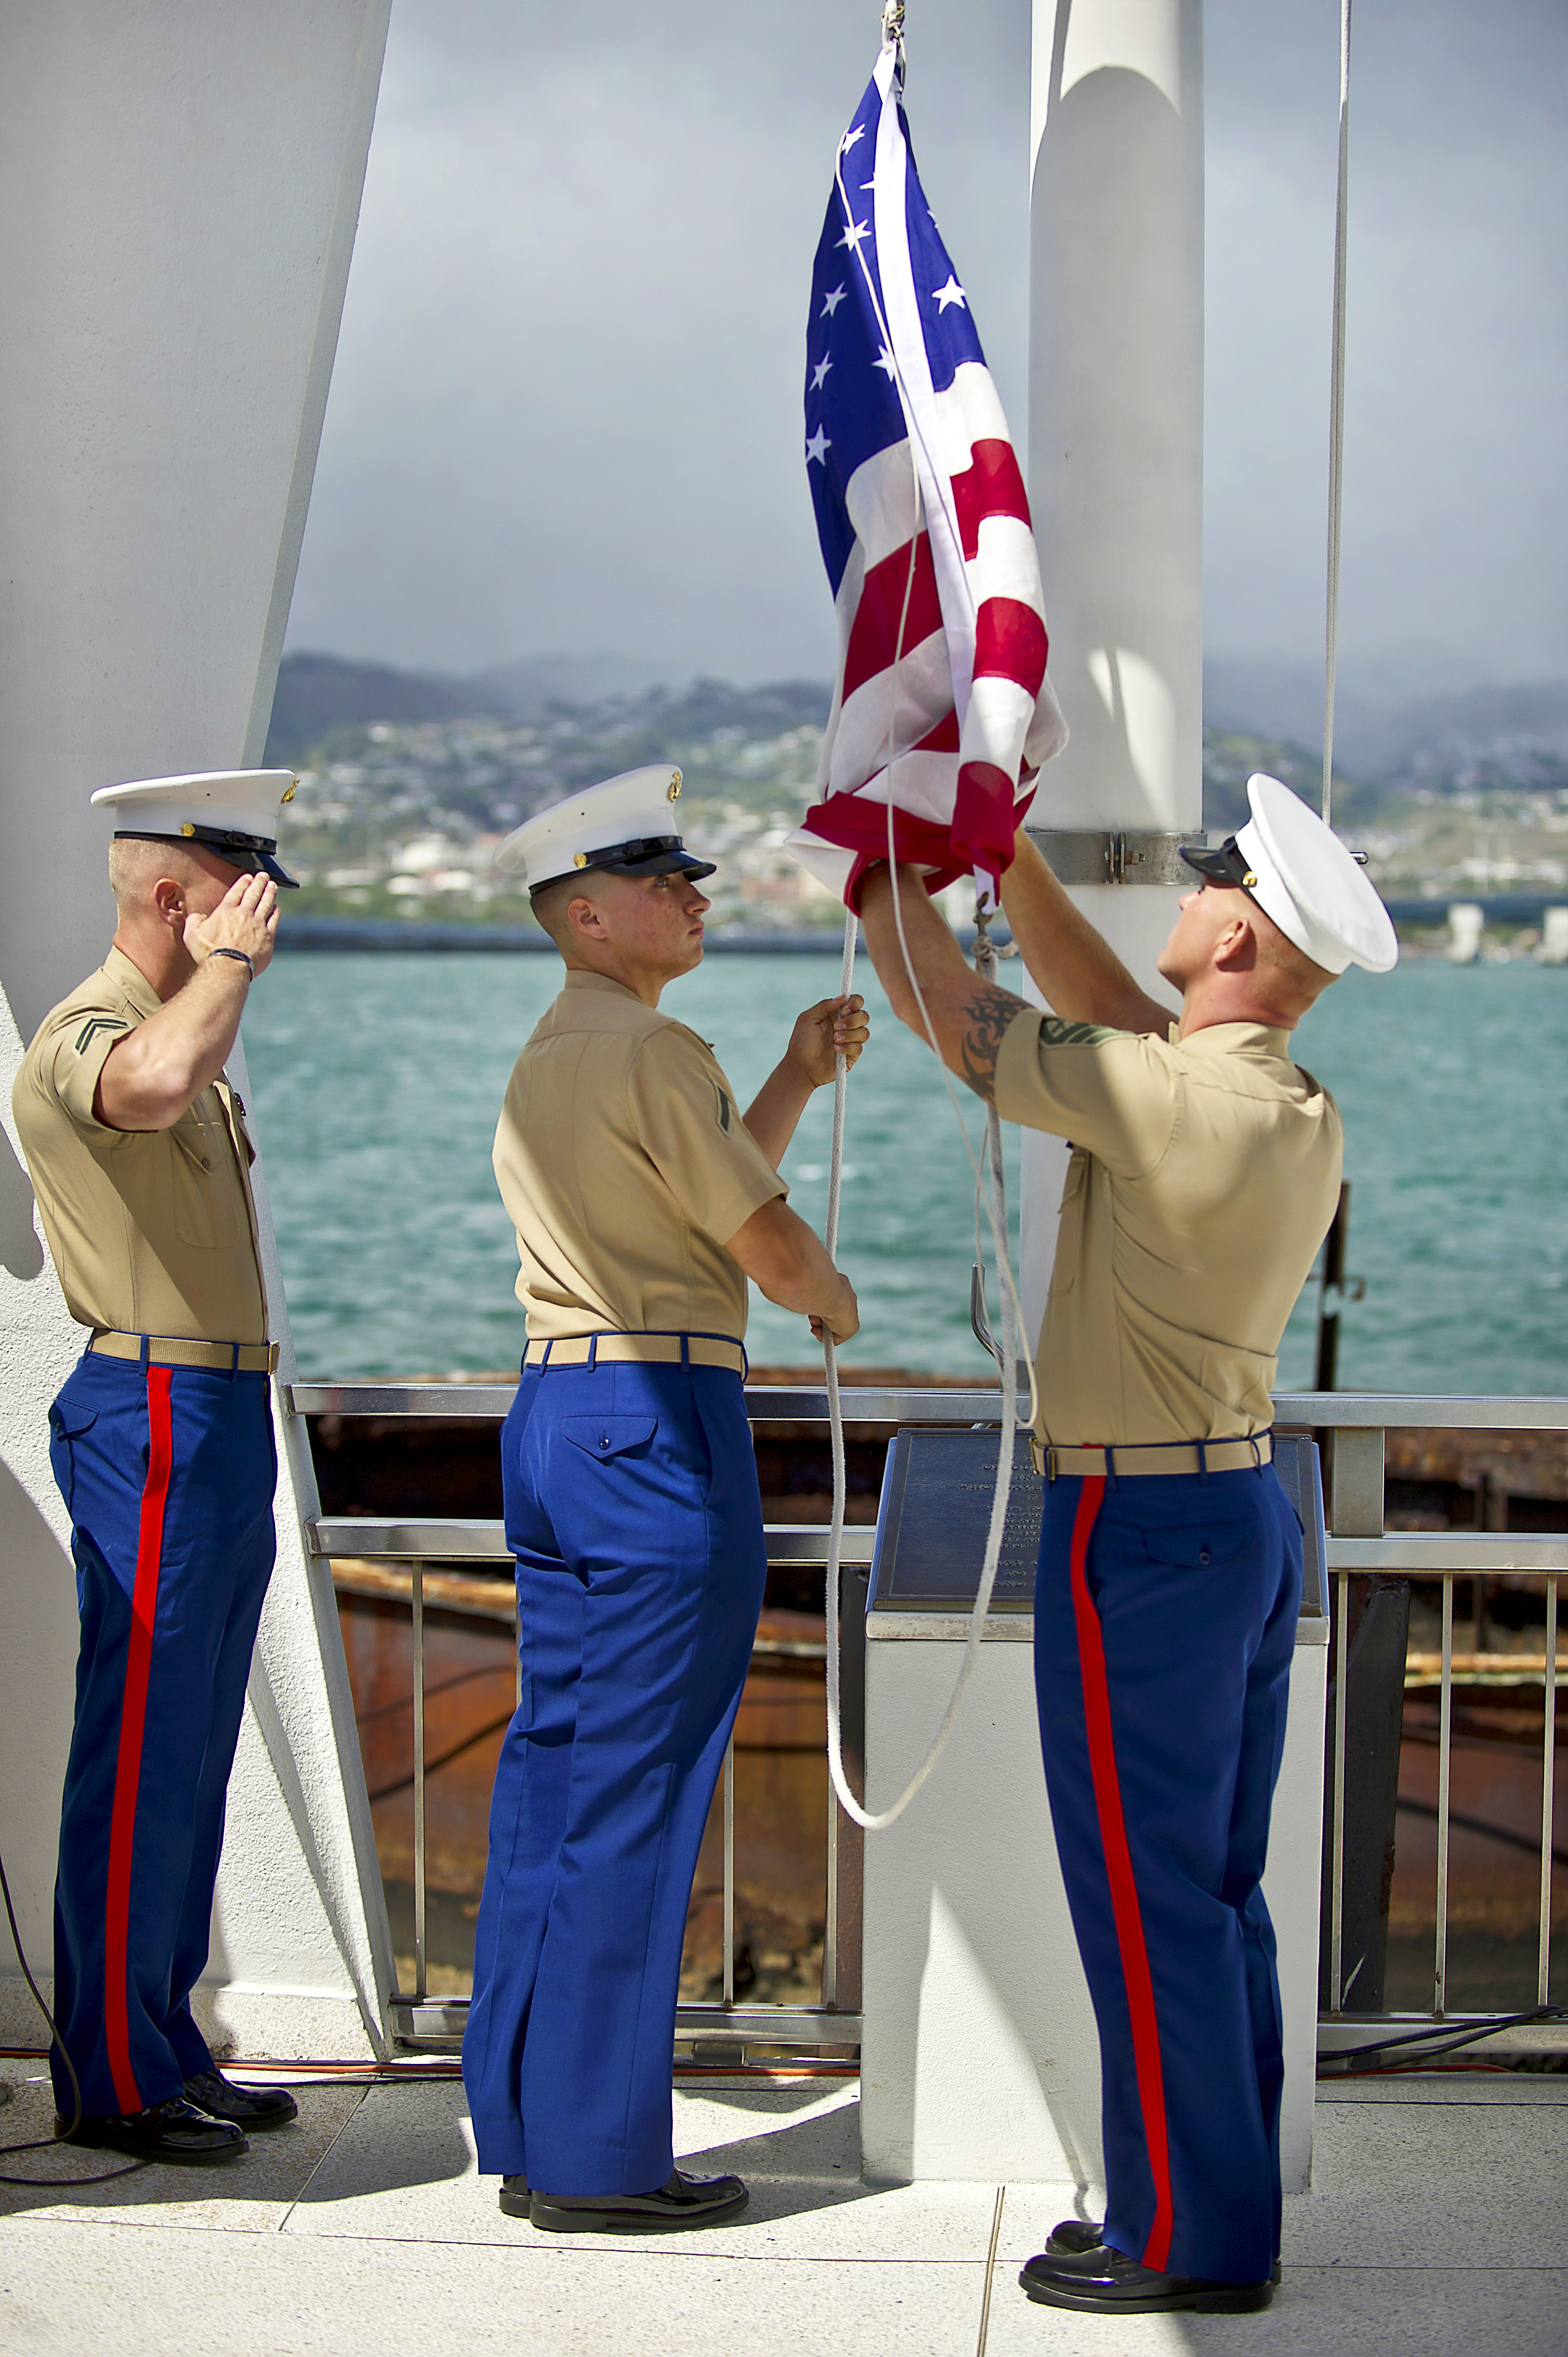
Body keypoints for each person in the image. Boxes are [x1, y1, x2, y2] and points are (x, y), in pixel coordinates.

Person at [858, 774, 1397, 2318]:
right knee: (1213, 1895)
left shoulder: (1166, 1097)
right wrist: (1005, 849)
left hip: (1141, 1532)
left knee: (1148, 1898)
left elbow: (939, 1003)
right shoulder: (1274, 1102)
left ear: (1235, 929)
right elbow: (1102, 1014)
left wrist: (879, 844)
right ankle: (1209, 2206)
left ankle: (1183, 2243)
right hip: (1238, 1517)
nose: (1182, 891)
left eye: (1204, 879)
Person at [462, 764, 865, 2232]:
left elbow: (691, 1188)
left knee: (557, 1778)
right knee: (638, 1792)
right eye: (662, 881)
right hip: (655, 1413)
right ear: (583, 914)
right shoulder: (652, 1048)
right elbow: (758, 1235)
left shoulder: (562, 1052)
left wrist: (795, 1075)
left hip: (561, 1414)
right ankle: (597, 2158)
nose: (695, 896)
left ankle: (521, 2117)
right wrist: (834, 1297)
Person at [12, 769, 307, 2165]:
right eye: (239, 896)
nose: (259, 924)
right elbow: (151, 1084)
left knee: (187, 1751)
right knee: (135, 1751)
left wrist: (223, 977)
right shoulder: (92, 1031)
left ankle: (167, 2040)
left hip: (216, 1413)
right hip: (149, 1407)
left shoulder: (180, 1026)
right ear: (176, 898)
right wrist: (228, 970)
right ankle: (112, 2074)